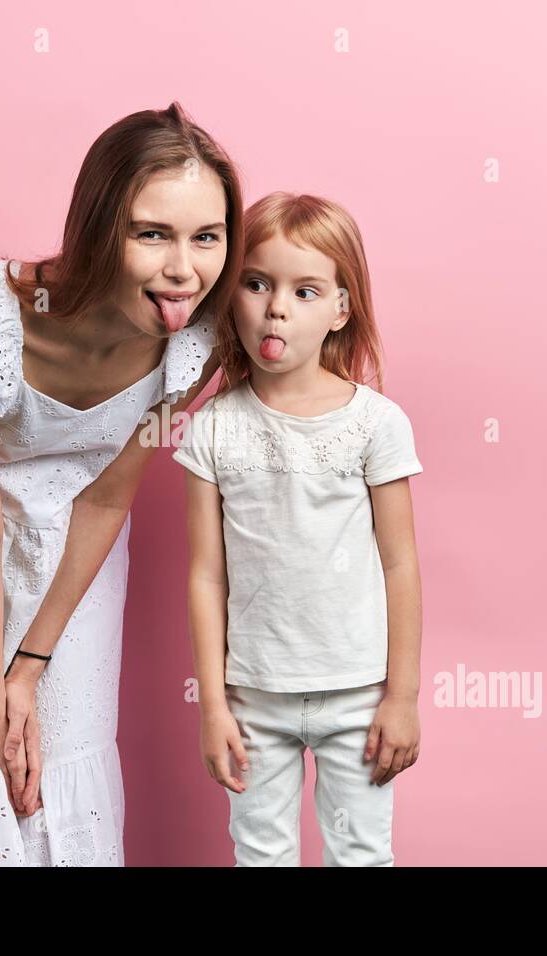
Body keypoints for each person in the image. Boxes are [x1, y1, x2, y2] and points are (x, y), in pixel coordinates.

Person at [0, 103, 244, 865]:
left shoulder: (194, 337)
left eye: (207, 237)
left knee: (57, 774)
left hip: (69, 536)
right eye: (151, 233)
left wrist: (30, 666)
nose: (184, 268)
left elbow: (105, 498)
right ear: (98, 228)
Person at [173, 192, 425, 866]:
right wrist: (213, 705)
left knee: (361, 855)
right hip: (255, 695)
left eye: (304, 290)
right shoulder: (215, 427)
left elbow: (400, 564)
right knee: (260, 856)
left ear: (341, 309)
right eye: (256, 283)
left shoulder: (376, 424)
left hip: (356, 693)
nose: (275, 306)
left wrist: (401, 698)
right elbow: (205, 573)